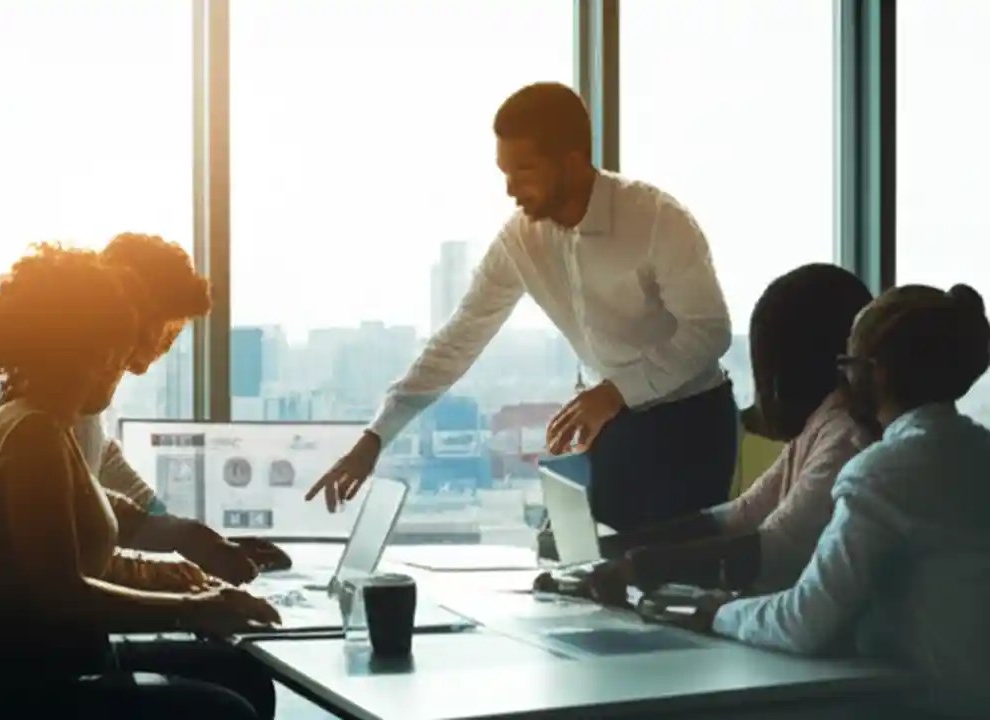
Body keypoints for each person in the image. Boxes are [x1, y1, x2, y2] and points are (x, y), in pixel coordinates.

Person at [307, 82, 737, 531]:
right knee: (602, 574)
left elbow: (709, 332)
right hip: (609, 422)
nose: (511, 189)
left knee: (678, 579)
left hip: (690, 422)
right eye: (504, 172)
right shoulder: (521, 239)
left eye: (524, 170)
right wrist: (377, 436)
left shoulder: (657, 220)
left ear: (571, 163)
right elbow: (458, 338)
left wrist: (615, 391)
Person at [0, 243, 280, 718]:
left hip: (38, 659)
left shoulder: (36, 421)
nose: (120, 375)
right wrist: (189, 608)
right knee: (228, 709)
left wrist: (182, 544)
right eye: (116, 360)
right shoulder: (33, 436)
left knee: (242, 674)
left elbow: (92, 509)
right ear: (88, 355)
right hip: (26, 681)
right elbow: (62, 595)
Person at [667, 284, 990, 717]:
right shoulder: (975, 449)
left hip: (923, 702)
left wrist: (716, 611)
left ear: (877, 374)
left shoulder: (882, 471)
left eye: (849, 364)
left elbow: (806, 621)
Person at [0, 232, 288, 586]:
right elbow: (63, 588)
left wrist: (178, 532)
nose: (164, 342)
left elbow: (87, 482)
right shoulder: (38, 427)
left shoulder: (50, 400)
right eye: (164, 326)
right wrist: (191, 590)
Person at [578, 264, 876, 600]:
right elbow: (740, 516)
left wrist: (639, 567)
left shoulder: (845, 439)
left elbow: (778, 550)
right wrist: (612, 548)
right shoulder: (822, 426)